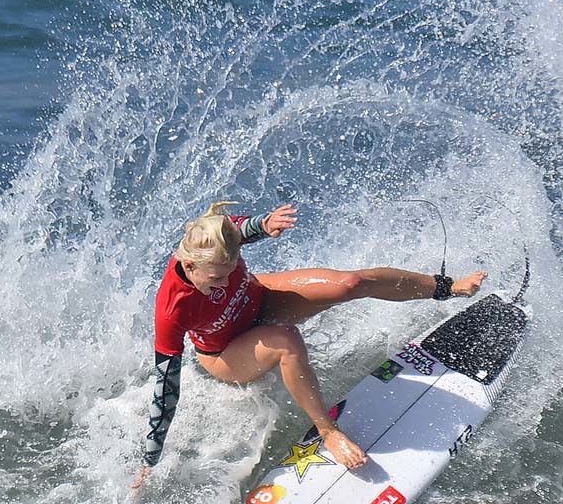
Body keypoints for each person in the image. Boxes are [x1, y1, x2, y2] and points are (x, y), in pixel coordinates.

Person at [132, 201, 487, 488]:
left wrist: (264, 224)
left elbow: (244, 229)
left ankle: (446, 287)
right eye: (215, 278)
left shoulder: (217, 238)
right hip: (227, 353)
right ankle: (328, 431)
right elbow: (166, 389)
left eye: (230, 271)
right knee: (285, 340)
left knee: (350, 283)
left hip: (260, 302)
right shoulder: (172, 308)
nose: (224, 284)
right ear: (190, 266)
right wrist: (151, 458)